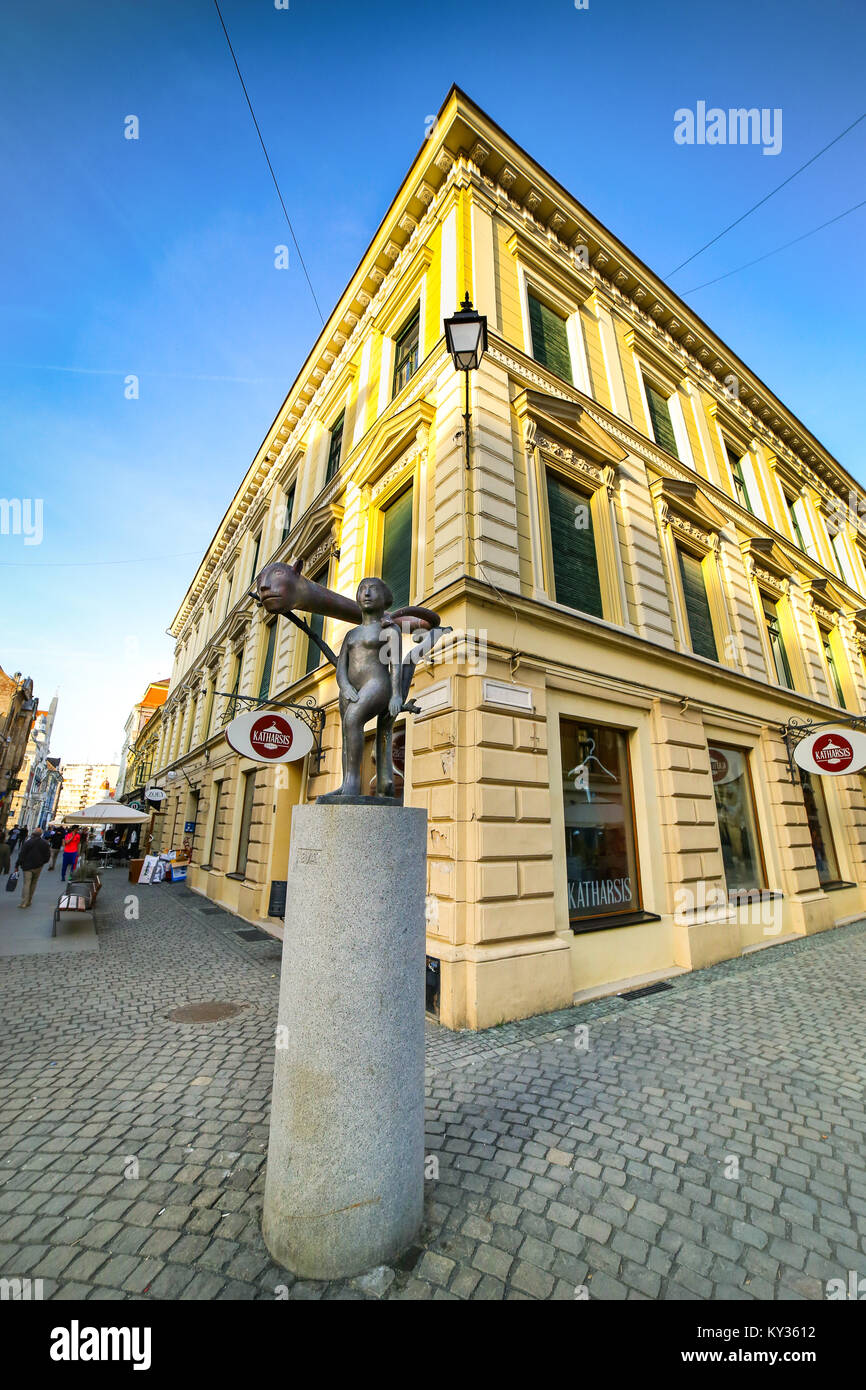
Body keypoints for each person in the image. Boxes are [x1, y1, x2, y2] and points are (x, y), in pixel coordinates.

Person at [16, 826, 51, 908]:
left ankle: (24, 901)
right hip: (38, 866)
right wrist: (42, 862)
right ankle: (29, 900)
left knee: (27, 883)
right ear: (41, 834)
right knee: (33, 883)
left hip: (27, 866)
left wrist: (17, 864)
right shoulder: (45, 843)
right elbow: (47, 856)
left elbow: (22, 854)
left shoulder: (28, 842)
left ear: (33, 834)